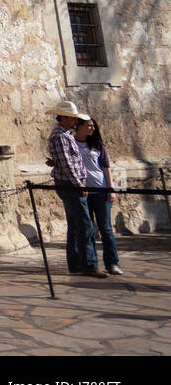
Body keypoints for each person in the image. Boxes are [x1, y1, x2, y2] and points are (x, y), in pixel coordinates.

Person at [45, 100, 107, 278]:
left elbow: (65, 160)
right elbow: (66, 163)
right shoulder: (60, 136)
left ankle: (75, 263)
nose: (75, 121)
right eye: (72, 118)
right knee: (85, 223)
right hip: (71, 185)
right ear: (63, 118)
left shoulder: (65, 134)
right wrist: (78, 183)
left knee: (75, 224)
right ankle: (88, 264)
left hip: (71, 183)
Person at [78, 117, 123, 275]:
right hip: (84, 192)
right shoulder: (72, 143)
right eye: (88, 126)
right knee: (88, 229)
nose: (92, 129)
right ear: (80, 126)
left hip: (100, 190)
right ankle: (92, 264)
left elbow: (106, 167)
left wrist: (110, 189)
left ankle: (112, 263)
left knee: (105, 228)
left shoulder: (97, 145)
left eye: (93, 126)